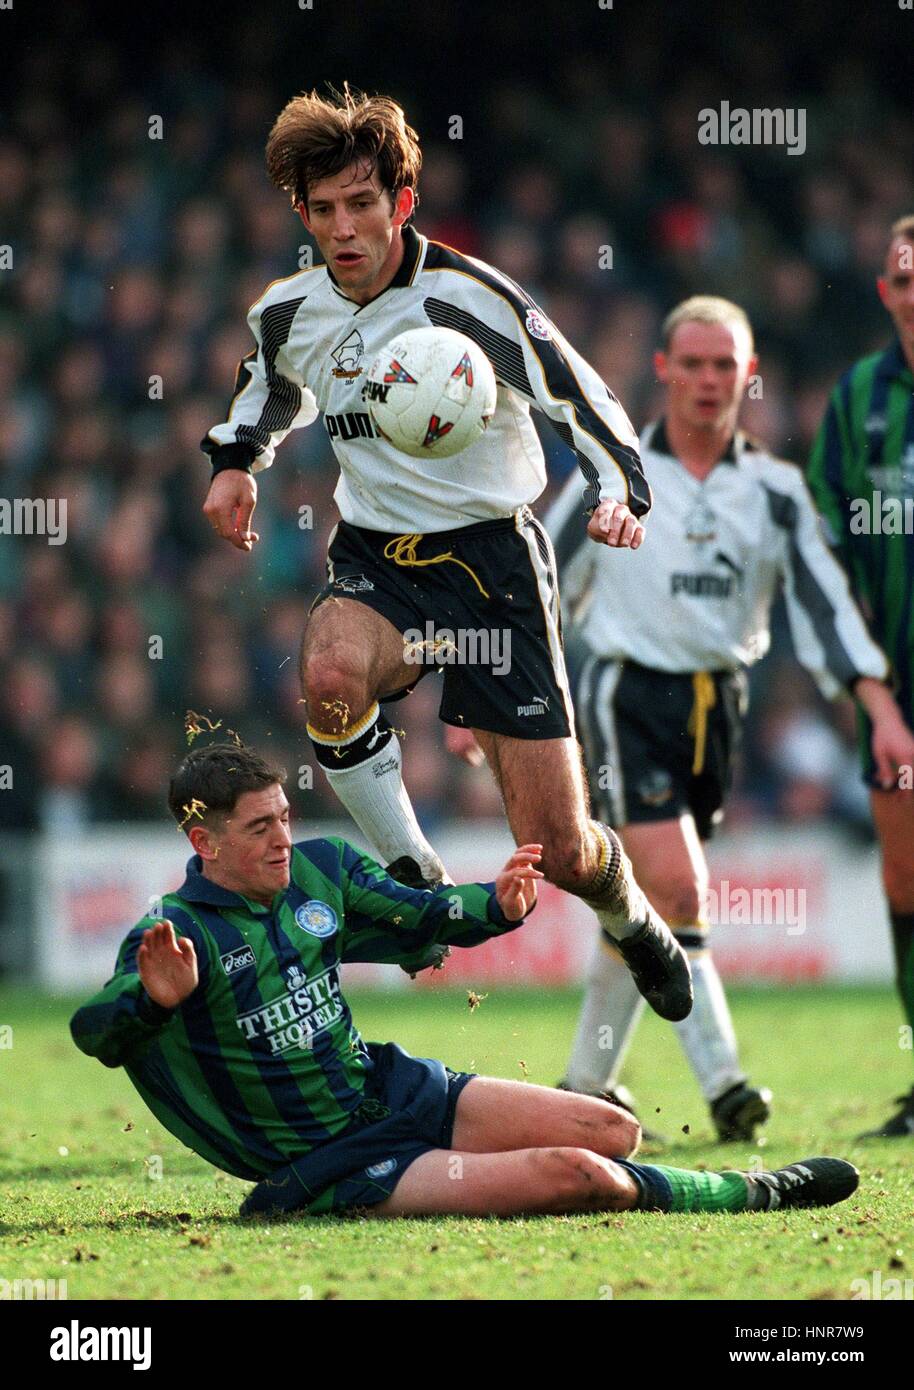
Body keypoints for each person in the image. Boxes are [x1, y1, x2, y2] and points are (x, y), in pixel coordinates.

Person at [199, 85, 691, 1023]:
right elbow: (265, 391)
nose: (345, 228)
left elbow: (581, 399)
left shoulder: (471, 300)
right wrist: (237, 463)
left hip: (494, 566)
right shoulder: (289, 312)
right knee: (331, 674)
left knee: (559, 848)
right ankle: (412, 873)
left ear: (402, 204)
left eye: (363, 205)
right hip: (379, 558)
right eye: (325, 210)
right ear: (301, 213)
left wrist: (622, 491)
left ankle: (630, 916)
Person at [70, 742, 858, 1217]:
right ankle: (757, 1193)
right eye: (259, 827)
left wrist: (499, 903)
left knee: (611, 1131)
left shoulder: (321, 871)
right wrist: (152, 999)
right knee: (581, 1175)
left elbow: (423, 914)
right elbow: (93, 1029)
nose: (284, 838)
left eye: (284, 816)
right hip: (332, 1163)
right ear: (203, 840)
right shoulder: (172, 937)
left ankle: (715, 1179)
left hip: (394, 1086)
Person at [539, 295, 914, 1141]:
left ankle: (582, 1085)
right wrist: (489, 694)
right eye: (693, 364)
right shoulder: (614, 470)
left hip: (719, 710)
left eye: (725, 366)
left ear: (747, 377)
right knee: (679, 887)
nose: (708, 381)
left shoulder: (774, 491)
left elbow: (825, 603)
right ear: (664, 369)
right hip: (624, 693)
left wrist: (876, 701)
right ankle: (728, 1085)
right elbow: (541, 578)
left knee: (638, 907)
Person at [808, 215, 914, 1138]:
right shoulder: (859, 401)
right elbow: (824, 554)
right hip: (896, 694)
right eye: (904, 281)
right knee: (907, 883)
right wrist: (874, 697)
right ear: (886, 292)